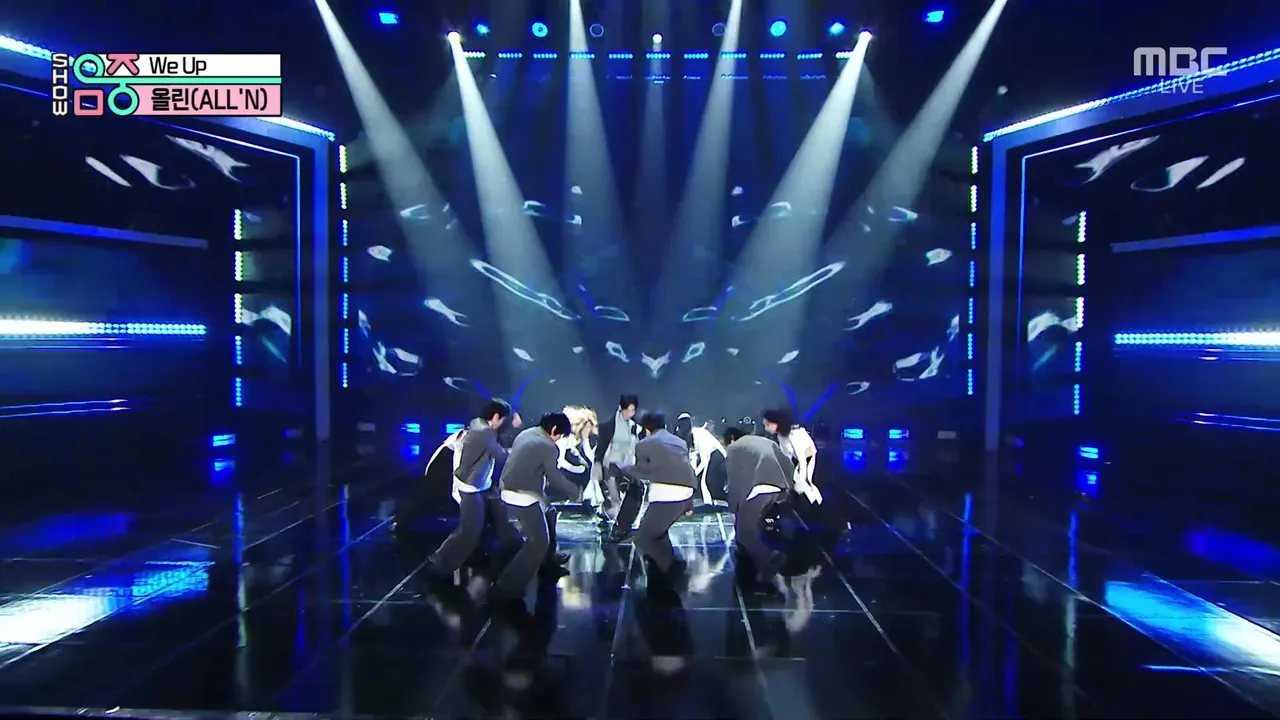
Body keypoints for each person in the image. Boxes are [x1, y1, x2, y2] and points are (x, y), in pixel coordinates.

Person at [492, 412, 583, 598]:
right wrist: (575, 491)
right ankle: (506, 585)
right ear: (554, 429)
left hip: (510, 487)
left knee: (550, 512)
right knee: (538, 543)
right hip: (523, 495)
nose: (558, 440)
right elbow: (554, 477)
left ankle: (548, 562)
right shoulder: (548, 446)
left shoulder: (527, 433)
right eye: (560, 435)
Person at [425, 399, 513, 578]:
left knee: (491, 524)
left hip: (480, 485)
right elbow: (500, 454)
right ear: (496, 416)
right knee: (469, 531)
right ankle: (439, 561)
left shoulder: (480, 427)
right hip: (471, 487)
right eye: (504, 420)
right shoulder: (483, 432)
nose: (504, 424)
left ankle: (504, 556)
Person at [615, 411, 696, 578]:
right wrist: (689, 504)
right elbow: (686, 470)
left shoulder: (644, 444)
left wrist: (623, 468)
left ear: (646, 429)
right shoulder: (679, 442)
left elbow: (642, 472)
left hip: (667, 495)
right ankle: (671, 562)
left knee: (643, 539)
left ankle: (671, 568)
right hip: (687, 492)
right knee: (658, 530)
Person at [722, 426, 794, 588]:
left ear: (731, 438)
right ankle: (763, 572)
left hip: (759, 489)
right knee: (754, 524)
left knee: (744, 532)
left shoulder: (734, 448)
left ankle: (772, 556)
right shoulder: (766, 441)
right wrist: (787, 489)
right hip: (778, 488)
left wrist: (733, 508)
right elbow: (788, 464)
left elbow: (734, 481)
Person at [593, 393, 640, 522]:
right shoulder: (607, 426)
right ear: (621, 408)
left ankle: (606, 513)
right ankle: (615, 521)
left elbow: (635, 446)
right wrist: (598, 465)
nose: (630, 413)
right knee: (614, 498)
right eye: (628, 410)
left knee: (629, 496)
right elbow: (600, 449)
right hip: (611, 465)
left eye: (633, 410)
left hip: (627, 466)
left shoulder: (633, 426)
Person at [763, 409, 823, 506]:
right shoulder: (781, 434)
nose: (766, 428)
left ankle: (816, 504)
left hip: (807, 456)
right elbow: (786, 455)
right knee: (798, 481)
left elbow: (802, 457)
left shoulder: (794, 433)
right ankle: (810, 503)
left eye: (768, 425)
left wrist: (801, 477)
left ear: (776, 423)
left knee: (804, 481)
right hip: (799, 458)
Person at [553, 405, 598, 505]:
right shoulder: (566, 438)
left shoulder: (581, 441)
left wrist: (585, 439)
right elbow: (559, 462)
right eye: (587, 427)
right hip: (561, 472)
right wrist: (575, 469)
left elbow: (591, 460)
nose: (589, 430)